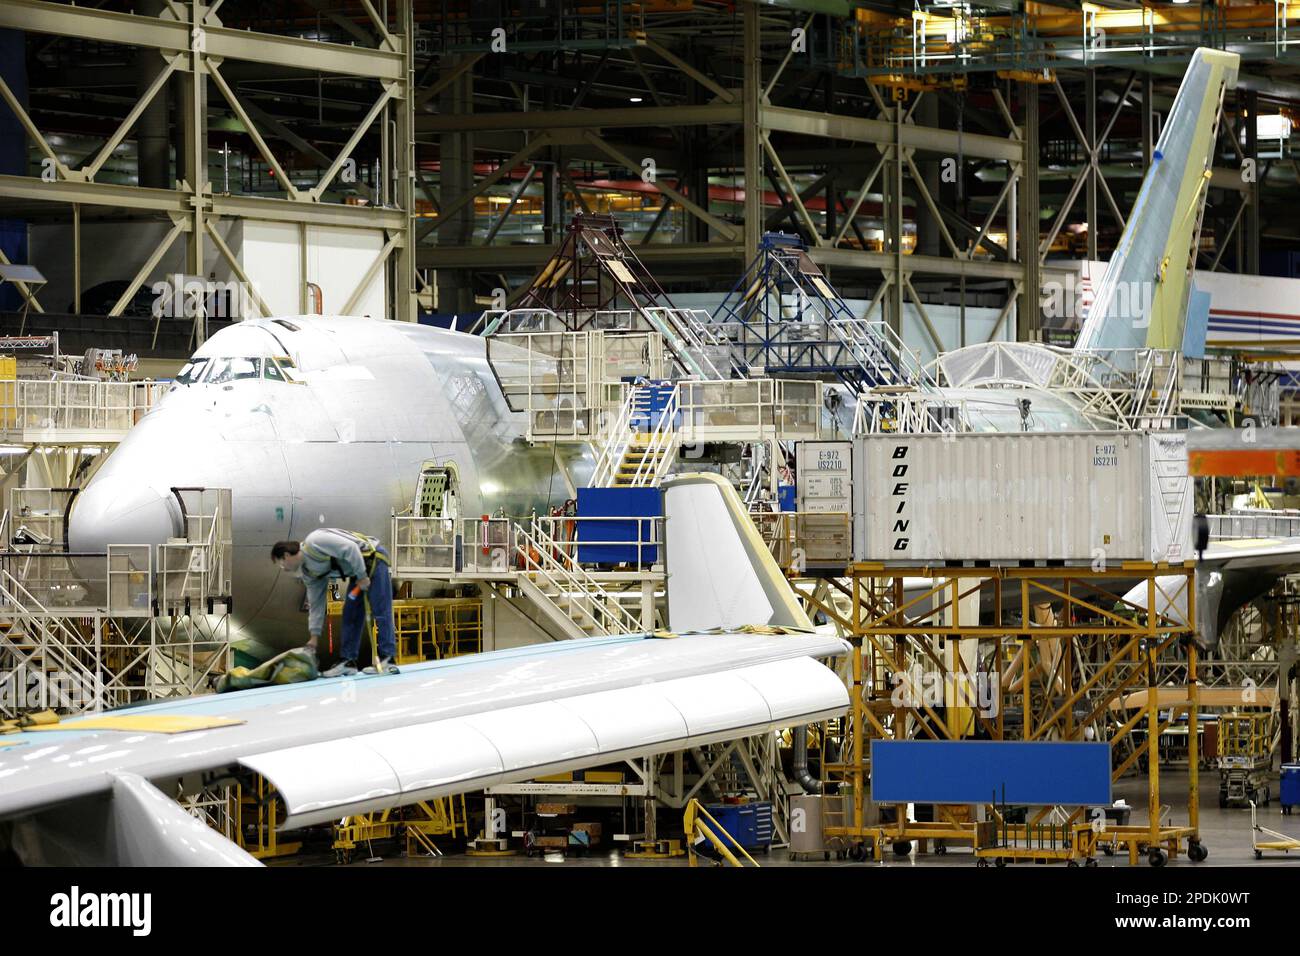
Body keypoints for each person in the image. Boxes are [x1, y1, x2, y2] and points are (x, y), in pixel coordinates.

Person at [271, 529, 397, 677]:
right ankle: (348, 661)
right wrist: (314, 637)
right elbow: (316, 605)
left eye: (281, 564)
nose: (283, 569)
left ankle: (387, 659)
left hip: (375, 559)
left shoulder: (315, 541)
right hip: (358, 572)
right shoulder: (308, 573)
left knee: (380, 609)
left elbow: (351, 549)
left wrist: (362, 577)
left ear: (286, 556)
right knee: (350, 614)